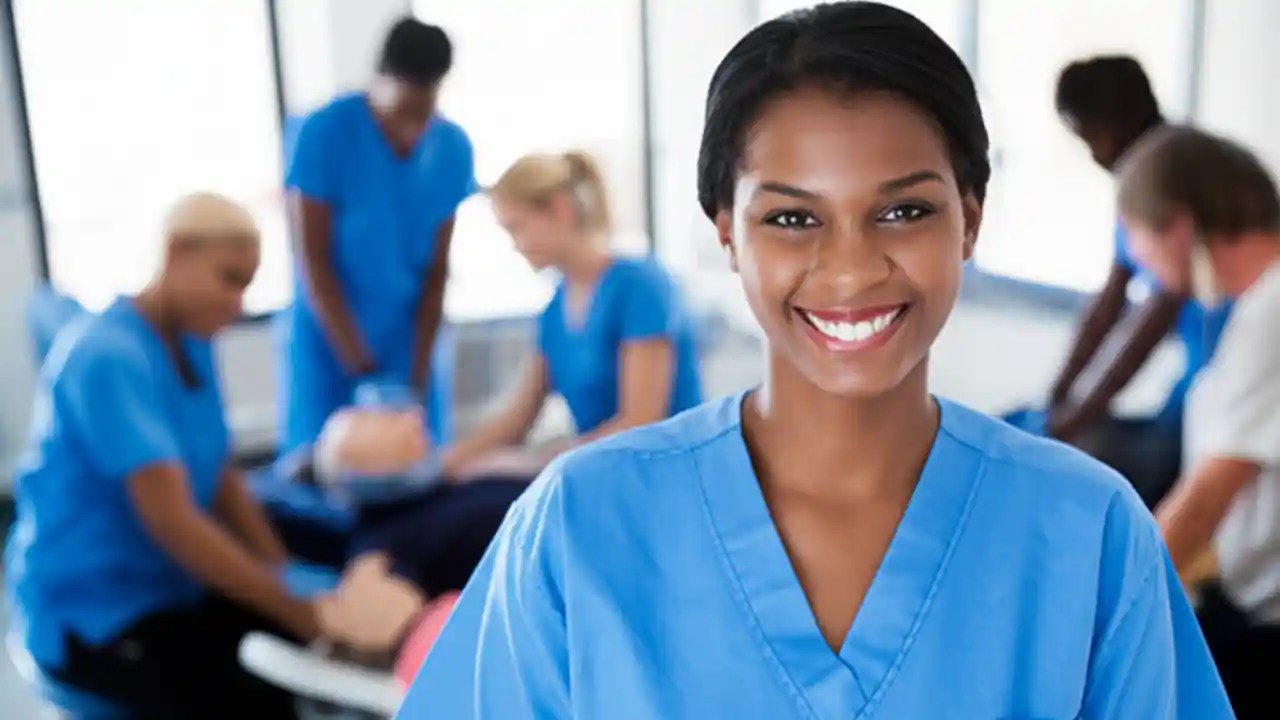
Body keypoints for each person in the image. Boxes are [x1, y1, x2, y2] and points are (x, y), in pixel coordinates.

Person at [399, 4, 1230, 717]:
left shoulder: (1090, 535)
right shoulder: (580, 525)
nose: (850, 270)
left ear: (969, 221)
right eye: (793, 220)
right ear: (726, 231)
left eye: (903, 210)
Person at [5, 194, 320, 718]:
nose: (237, 304)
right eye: (229, 279)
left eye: (247, 286)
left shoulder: (188, 343)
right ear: (175, 253)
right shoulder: (107, 356)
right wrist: (302, 614)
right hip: (95, 615)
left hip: (166, 588)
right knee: (257, 691)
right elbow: (174, 524)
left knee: (282, 644)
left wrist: (281, 572)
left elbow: (219, 477)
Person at [1119, 126, 1280, 719]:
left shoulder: (1273, 311)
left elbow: (1211, 491)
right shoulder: (1255, 309)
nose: (1135, 258)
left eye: (1133, 234)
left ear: (1179, 225)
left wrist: (1112, 603)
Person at [436, 151, 703, 477]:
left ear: (559, 209)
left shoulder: (641, 287)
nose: (515, 246)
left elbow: (640, 425)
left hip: (664, 477)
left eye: (516, 228)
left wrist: (534, 464)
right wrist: (439, 469)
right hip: (599, 475)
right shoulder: (554, 311)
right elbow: (518, 418)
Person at [1039, 55, 1231, 507]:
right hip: (1200, 372)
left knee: (1139, 475)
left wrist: (1082, 411)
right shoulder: (1141, 177)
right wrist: (1060, 393)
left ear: (1115, 120)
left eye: (1090, 138)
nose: (1093, 154)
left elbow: (1157, 309)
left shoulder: (1175, 171)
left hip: (1227, 368)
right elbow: (1110, 300)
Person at [279, 16, 475, 454]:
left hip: (408, 339)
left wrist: (417, 376)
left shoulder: (452, 149)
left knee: (413, 469)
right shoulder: (324, 134)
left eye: (423, 112)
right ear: (379, 81)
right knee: (322, 470)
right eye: (403, 111)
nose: (412, 128)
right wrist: (360, 366)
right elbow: (313, 259)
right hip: (329, 339)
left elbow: (437, 272)